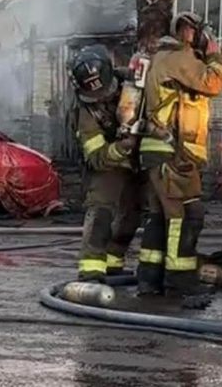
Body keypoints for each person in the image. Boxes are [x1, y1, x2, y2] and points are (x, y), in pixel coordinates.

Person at [136, 11, 222, 302]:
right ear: (187, 31)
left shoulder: (163, 57)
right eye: (197, 31)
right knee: (185, 216)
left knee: (160, 217)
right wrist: (215, 56)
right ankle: (179, 281)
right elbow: (212, 82)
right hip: (173, 153)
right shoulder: (179, 57)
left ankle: (150, 279)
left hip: (159, 151)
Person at [68, 45, 142, 283]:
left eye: (106, 91)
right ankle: (91, 269)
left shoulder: (132, 83)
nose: (103, 97)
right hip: (108, 162)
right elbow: (97, 157)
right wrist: (124, 147)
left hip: (140, 157)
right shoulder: (84, 112)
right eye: (96, 95)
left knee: (132, 212)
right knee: (101, 207)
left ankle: (113, 263)